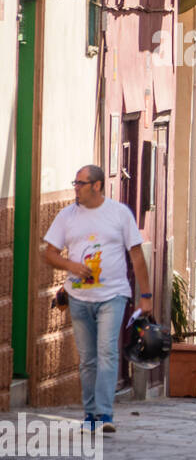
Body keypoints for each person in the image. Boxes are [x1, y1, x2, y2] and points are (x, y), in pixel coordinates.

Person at [40, 165, 152, 433]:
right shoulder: (67, 216)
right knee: (88, 358)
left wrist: (145, 296)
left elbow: (137, 255)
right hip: (78, 297)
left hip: (113, 295)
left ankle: (104, 415)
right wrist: (72, 266)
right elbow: (49, 253)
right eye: (75, 183)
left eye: (80, 183)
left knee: (107, 352)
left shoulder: (118, 214)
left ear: (97, 186)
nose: (76, 188)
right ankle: (90, 414)